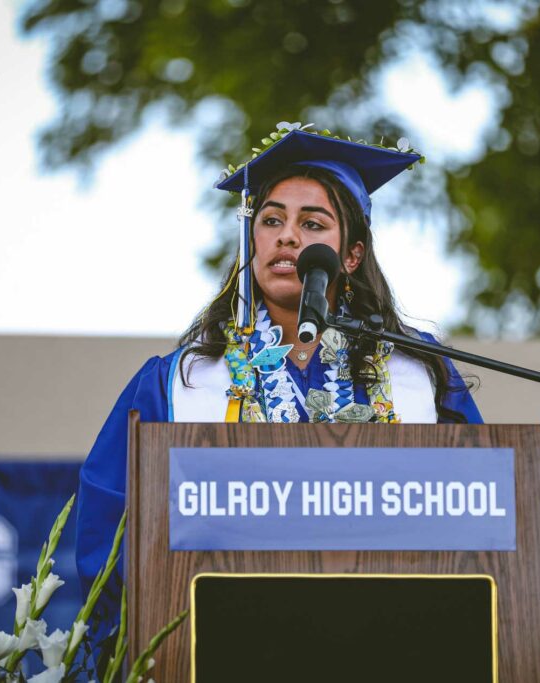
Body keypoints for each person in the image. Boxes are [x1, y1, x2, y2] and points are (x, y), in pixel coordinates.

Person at [75, 124, 483, 632]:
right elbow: (110, 531)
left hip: (394, 633)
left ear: (351, 255)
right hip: (222, 637)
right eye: (271, 220)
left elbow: (478, 508)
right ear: (252, 241)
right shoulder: (179, 383)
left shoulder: (417, 373)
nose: (288, 235)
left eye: (312, 223)